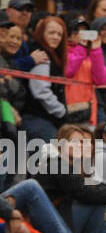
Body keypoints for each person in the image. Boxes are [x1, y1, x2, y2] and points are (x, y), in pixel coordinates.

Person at [25, 13, 70, 141]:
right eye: (51, 33)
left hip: (46, 118)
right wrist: (61, 111)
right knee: (57, 157)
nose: (56, 37)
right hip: (36, 117)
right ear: (41, 33)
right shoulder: (42, 54)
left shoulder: (54, 55)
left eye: (60, 34)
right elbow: (40, 91)